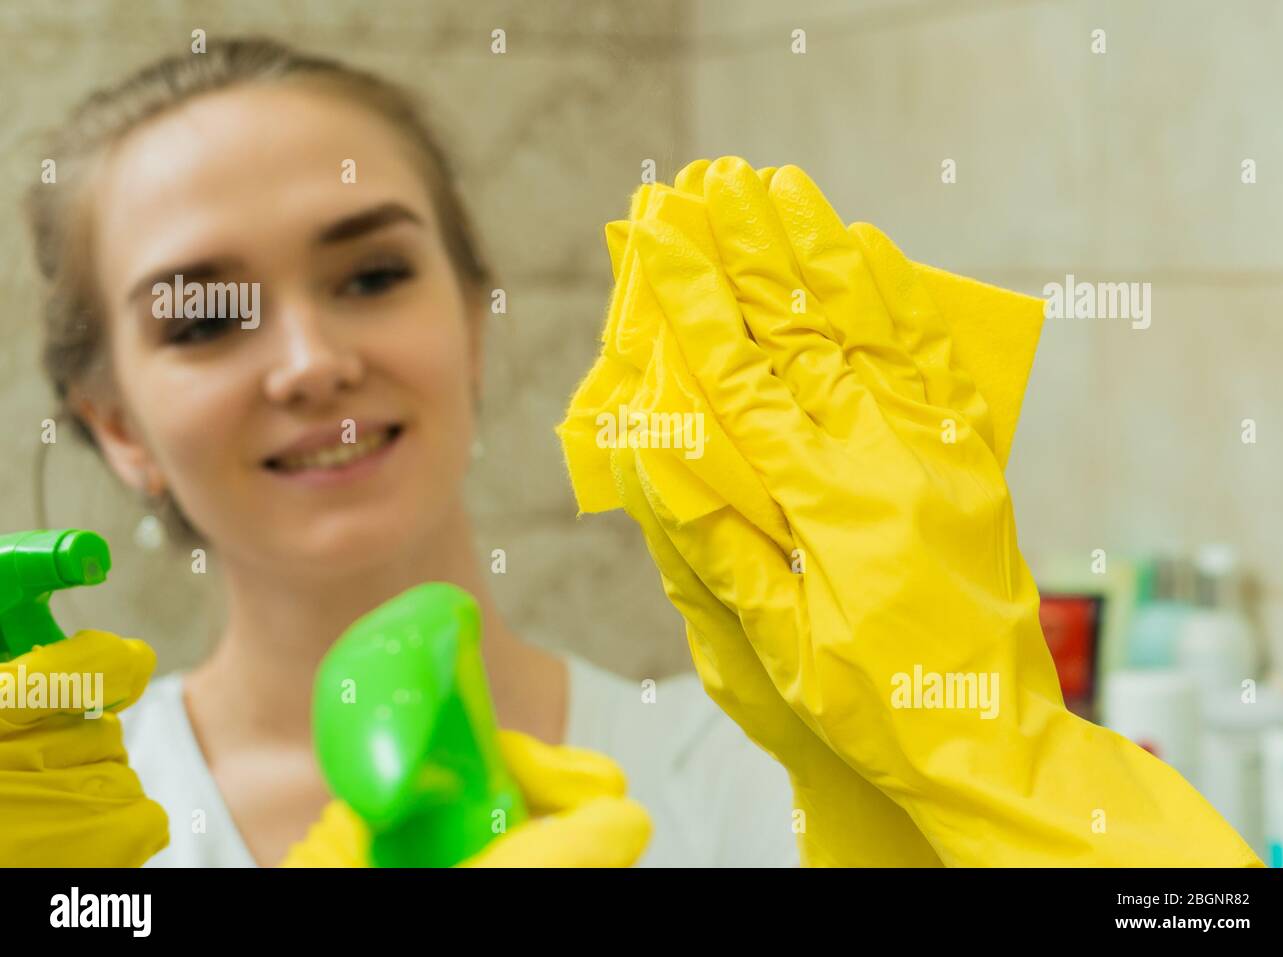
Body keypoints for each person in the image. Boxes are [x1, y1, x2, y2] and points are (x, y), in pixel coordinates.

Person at [20, 37, 799, 867]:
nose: (311, 362)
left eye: (371, 276)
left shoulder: (761, 778)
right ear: (118, 427)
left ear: (470, 321)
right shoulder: (63, 832)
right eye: (205, 321)